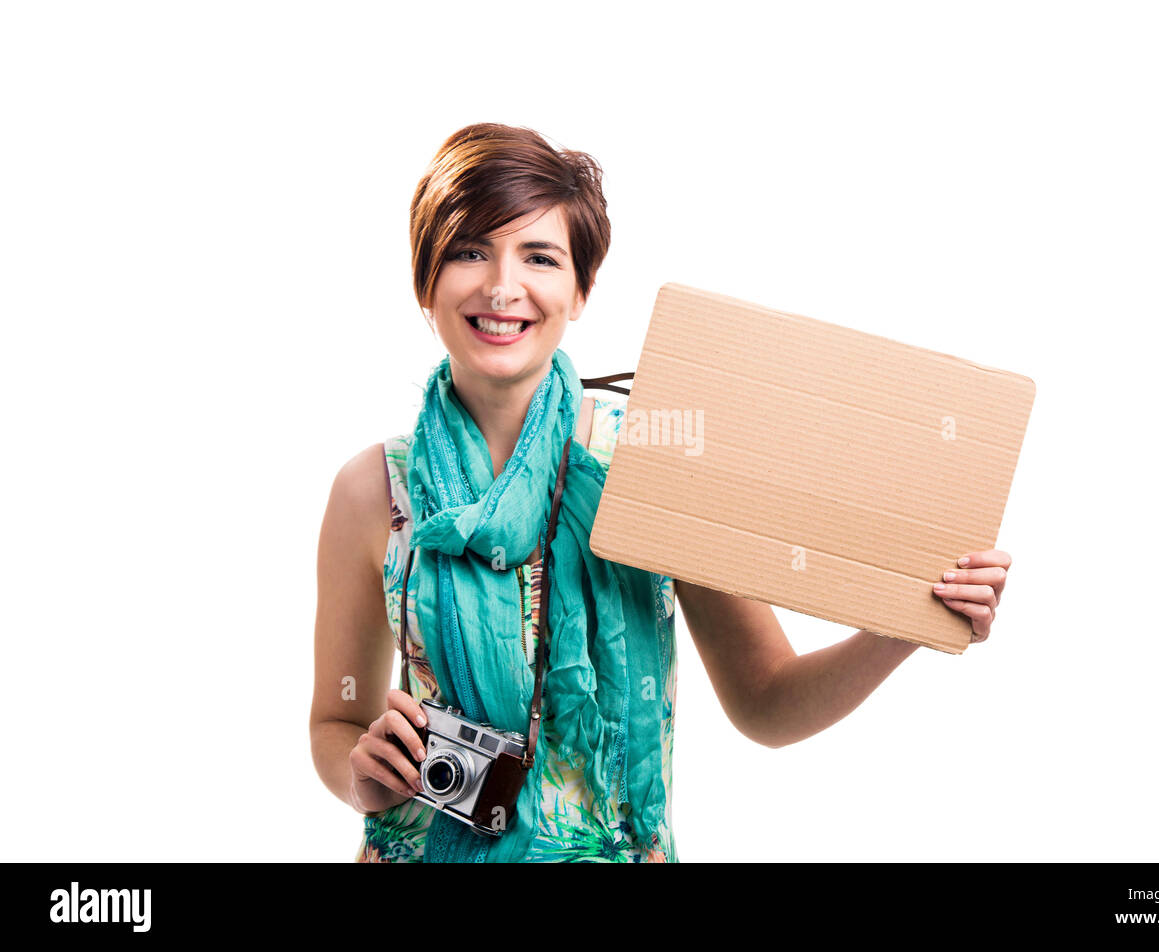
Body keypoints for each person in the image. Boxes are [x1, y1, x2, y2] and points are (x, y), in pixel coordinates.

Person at [308, 122, 1014, 863]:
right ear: (427, 279)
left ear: (580, 290)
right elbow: (336, 720)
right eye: (468, 251)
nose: (501, 286)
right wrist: (360, 776)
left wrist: (900, 626)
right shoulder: (372, 489)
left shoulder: (651, 455)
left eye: (540, 257)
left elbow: (767, 700)